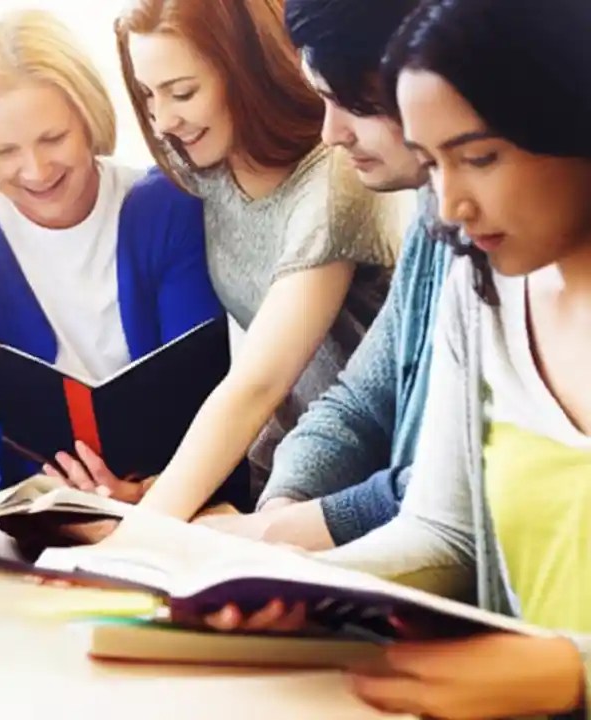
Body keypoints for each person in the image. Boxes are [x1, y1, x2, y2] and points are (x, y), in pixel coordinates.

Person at [205, 1, 591, 717]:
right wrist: (305, 593)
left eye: (478, 159)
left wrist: (571, 672)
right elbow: (445, 532)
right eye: (435, 162)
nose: (450, 206)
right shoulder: (481, 288)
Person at [66, 0, 401, 522]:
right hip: (275, 471)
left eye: (182, 92)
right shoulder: (201, 167)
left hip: (361, 480)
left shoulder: (334, 181)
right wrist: (165, 490)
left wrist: (151, 526)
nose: (162, 120)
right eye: (148, 95)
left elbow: (259, 383)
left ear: (246, 71)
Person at [0, 9, 223, 502]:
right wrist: (46, 510)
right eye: (4, 151)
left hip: (175, 502)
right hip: (29, 521)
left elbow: (203, 406)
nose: (36, 170)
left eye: (53, 139)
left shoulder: (165, 207)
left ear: (87, 119)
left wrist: (145, 494)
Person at [193, 0, 455, 550]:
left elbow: (460, 489)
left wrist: (273, 533)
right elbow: (359, 402)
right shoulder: (435, 210)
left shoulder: (480, 224)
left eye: (354, 104)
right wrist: (284, 507)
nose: (331, 132)